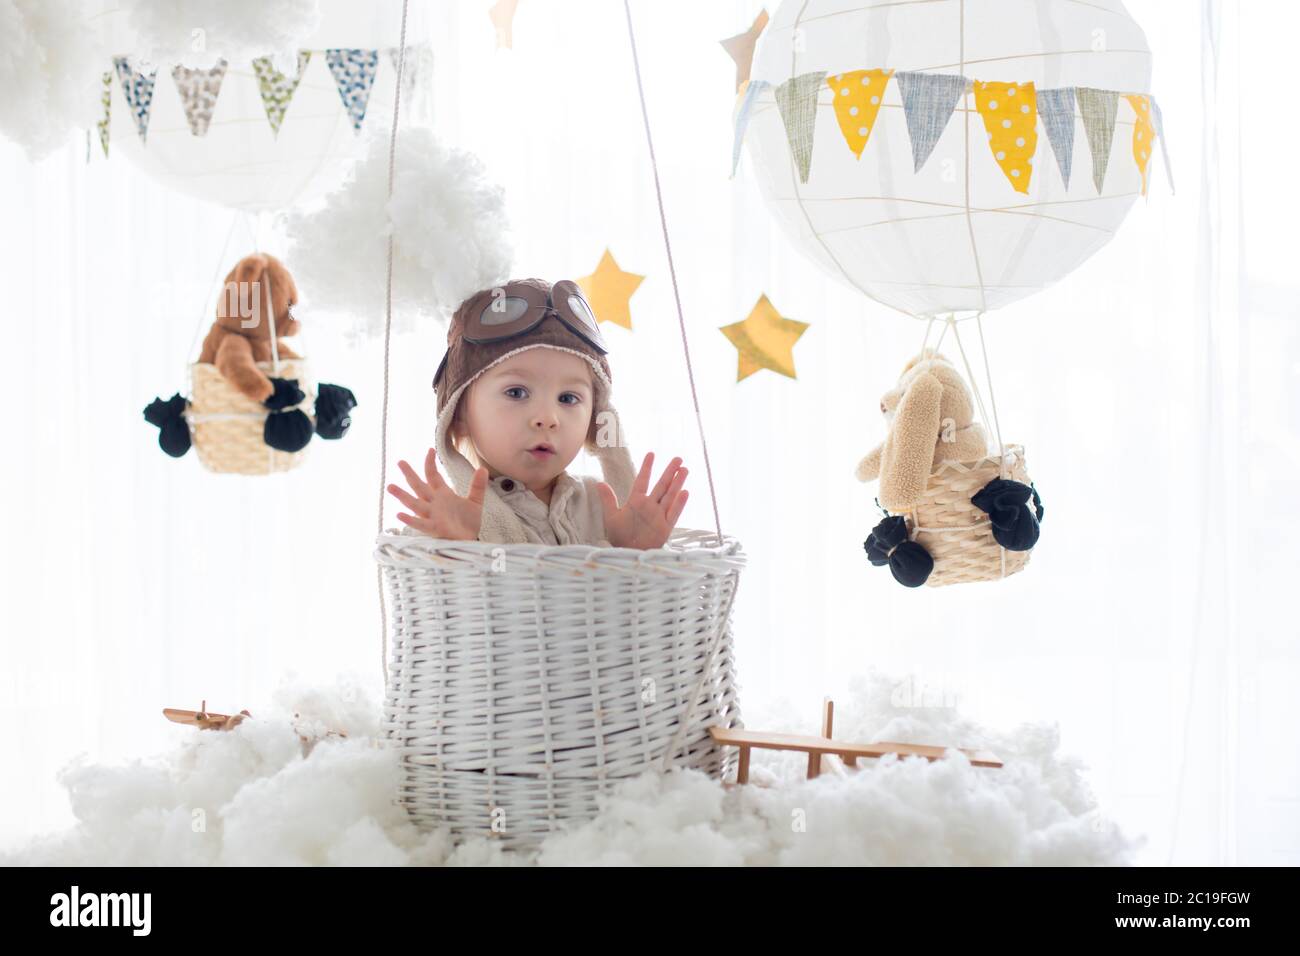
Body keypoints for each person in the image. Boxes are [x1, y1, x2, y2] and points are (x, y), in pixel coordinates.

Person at [386, 277, 688, 548]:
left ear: (597, 420)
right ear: (458, 415)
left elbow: (640, 603)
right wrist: (458, 545)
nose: (547, 417)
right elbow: (435, 591)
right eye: (516, 393)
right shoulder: (454, 511)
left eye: (568, 398)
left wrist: (637, 551)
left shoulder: (607, 506)